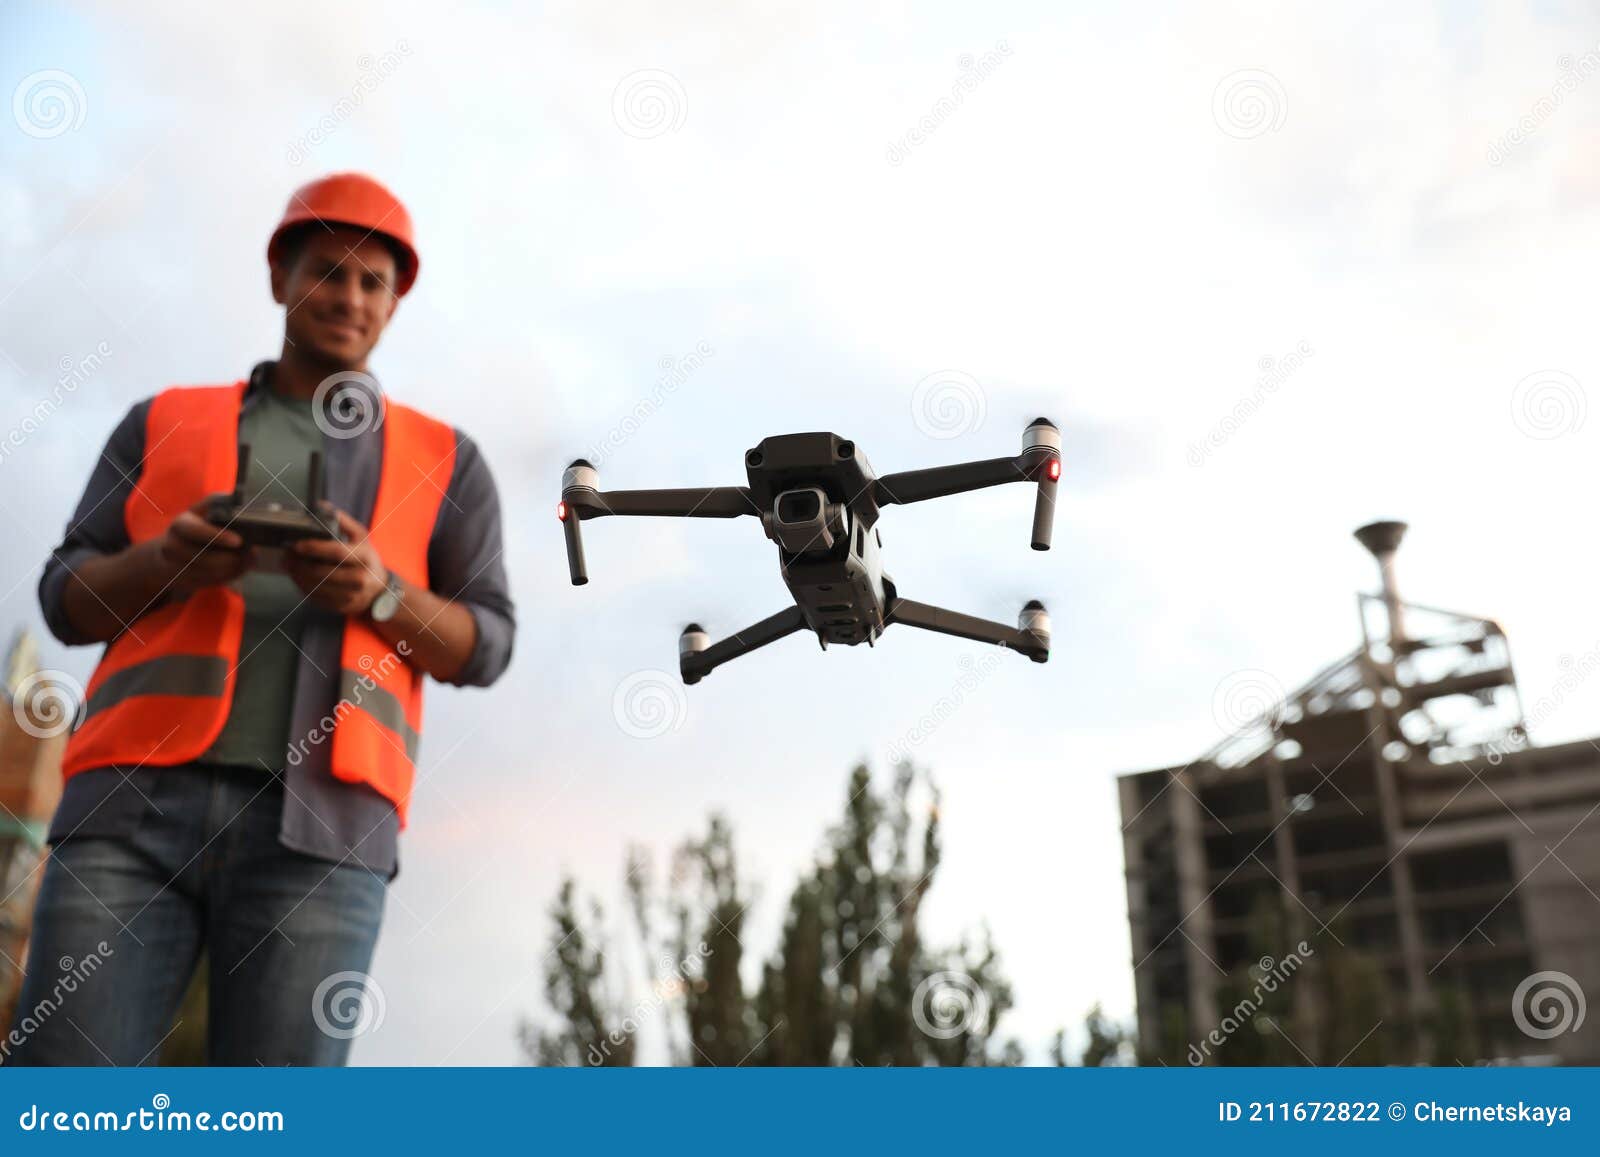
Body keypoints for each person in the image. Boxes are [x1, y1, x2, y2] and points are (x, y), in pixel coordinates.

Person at [5, 173, 514, 1066]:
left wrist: (381, 594)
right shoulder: (158, 421)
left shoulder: (449, 461)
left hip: (326, 835)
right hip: (126, 813)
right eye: (327, 271)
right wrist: (168, 560)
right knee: (68, 1100)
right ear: (280, 278)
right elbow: (65, 595)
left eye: (372, 281)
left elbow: (488, 643)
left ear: (396, 302)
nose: (349, 296)